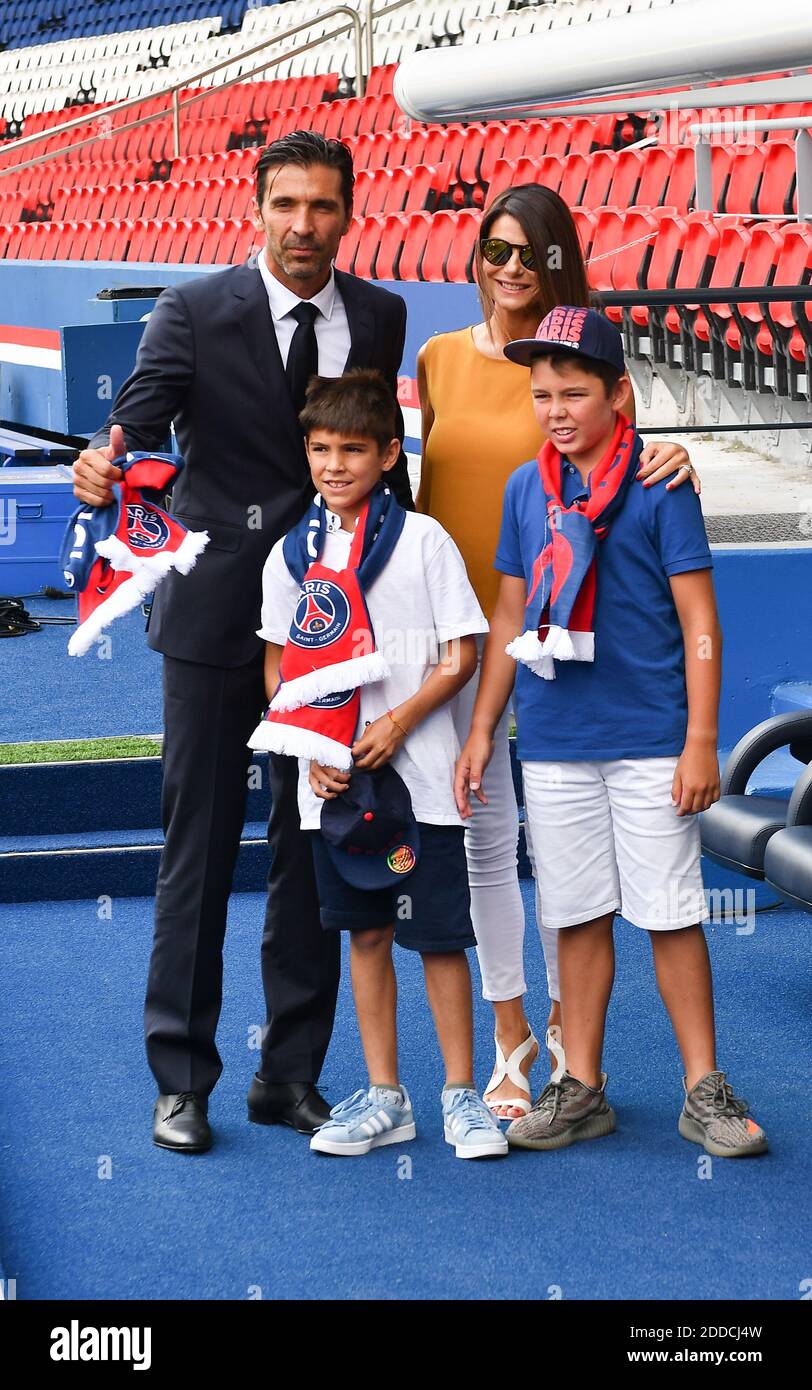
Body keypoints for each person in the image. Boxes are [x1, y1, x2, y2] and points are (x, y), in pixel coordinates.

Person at [71, 131, 414, 1153]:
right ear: (255, 209)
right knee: (198, 850)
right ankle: (181, 1076)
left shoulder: (380, 315)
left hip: (328, 633)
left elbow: (379, 470)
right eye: (286, 205)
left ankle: (288, 1076)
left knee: (309, 852)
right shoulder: (188, 309)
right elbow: (134, 421)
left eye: (322, 206)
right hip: (217, 622)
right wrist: (103, 458)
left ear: (348, 211)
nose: (304, 225)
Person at [455, 306, 767, 1159]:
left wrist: (703, 738)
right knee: (576, 916)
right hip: (554, 741)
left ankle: (702, 1086)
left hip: (652, 742)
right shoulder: (527, 488)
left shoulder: (663, 485)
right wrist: (485, 728)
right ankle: (582, 1085)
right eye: (542, 393)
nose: (556, 409)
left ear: (619, 395)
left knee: (669, 914)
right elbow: (513, 609)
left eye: (575, 393)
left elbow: (700, 620)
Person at [418, 183, 702, 1119]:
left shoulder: (591, 374)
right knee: (488, 852)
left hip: (579, 676)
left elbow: (622, 466)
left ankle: (599, 1058)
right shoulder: (437, 359)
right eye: (492, 248)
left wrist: (681, 457)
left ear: (554, 261)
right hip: (465, 642)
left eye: (525, 251)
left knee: (601, 877)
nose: (507, 267)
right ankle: (518, 1042)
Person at [256, 368, 507, 1159]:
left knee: (436, 937)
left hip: (423, 779)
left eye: (355, 450)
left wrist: (398, 722)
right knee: (364, 935)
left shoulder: (423, 540)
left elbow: (460, 653)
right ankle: (385, 1096)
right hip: (331, 786)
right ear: (306, 452)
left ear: (391, 453)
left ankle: (462, 1094)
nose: (336, 465)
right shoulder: (289, 555)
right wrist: (313, 746)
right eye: (322, 449)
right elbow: (277, 667)